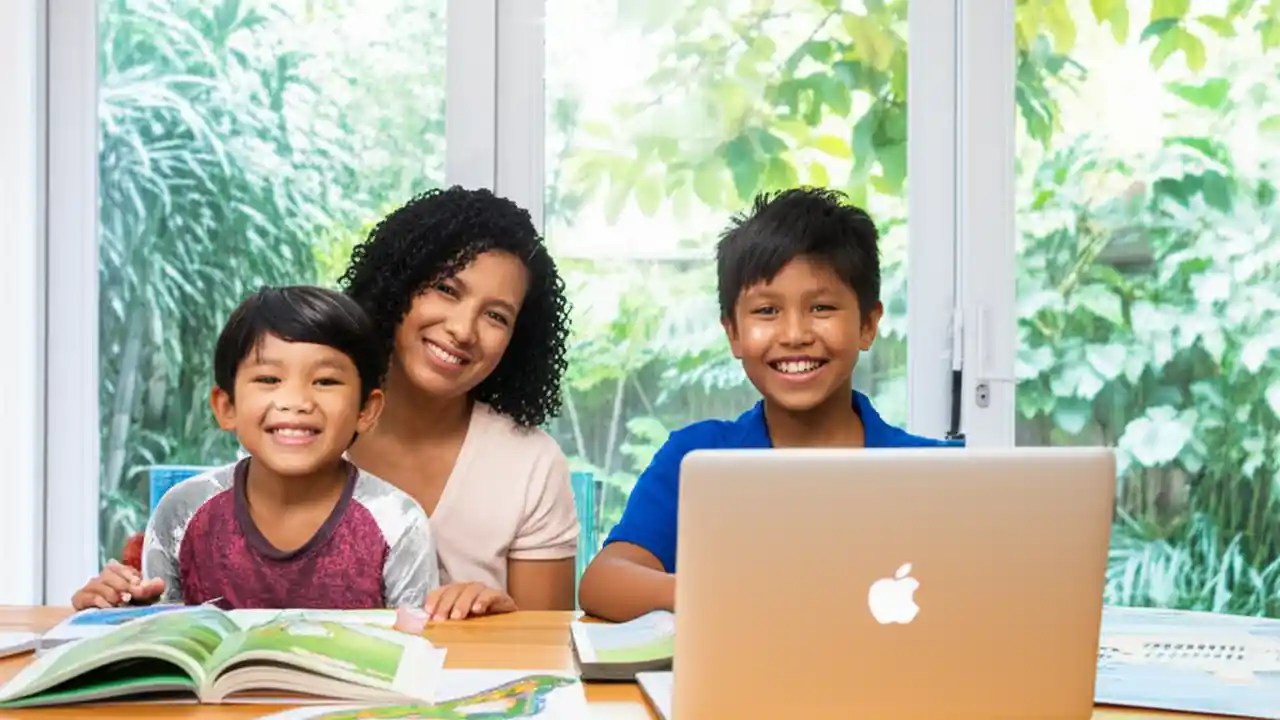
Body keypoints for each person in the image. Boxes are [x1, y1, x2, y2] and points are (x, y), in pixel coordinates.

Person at [577, 187, 959, 621]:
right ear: (733, 334)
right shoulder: (697, 457)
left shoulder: (939, 471)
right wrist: (716, 591)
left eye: (821, 307)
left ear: (868, 325)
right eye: (766, 311)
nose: (794, 334)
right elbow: (603, 582)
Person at [71, 286, 437, 610]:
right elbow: (160, 645)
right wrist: (116, 607)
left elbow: (419, 650)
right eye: (268, 379)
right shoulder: (183, 512)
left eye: (325, 381)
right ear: (226, 407)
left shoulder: (397, 522)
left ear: (366, 410)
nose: (295, 401)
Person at [342, 186, 578, 621]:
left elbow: (547, 652)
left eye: (496, 316)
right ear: (396, 283)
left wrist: (504, 618)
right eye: (447, 289)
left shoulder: (531, 464)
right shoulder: (310, 425)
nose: (463, 330)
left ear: (517, 342)